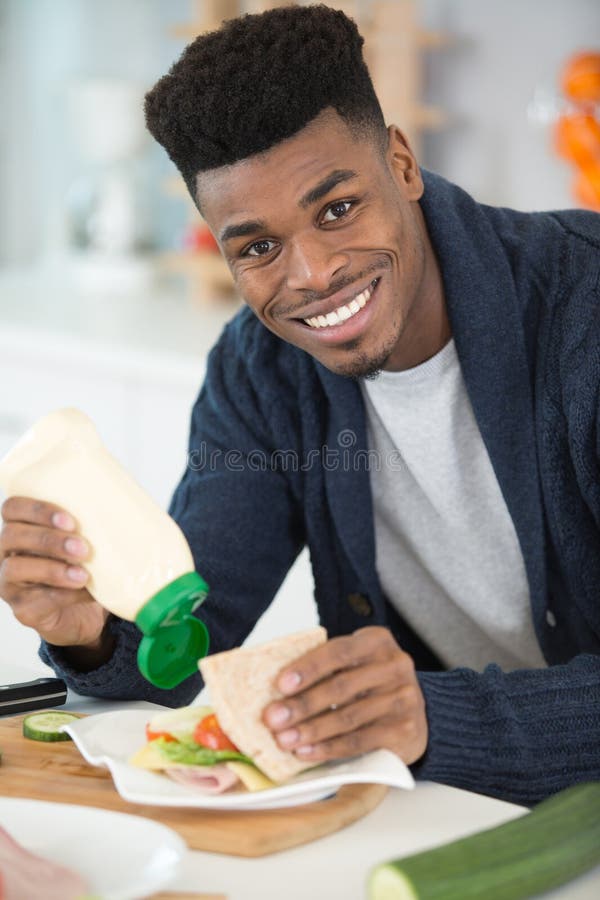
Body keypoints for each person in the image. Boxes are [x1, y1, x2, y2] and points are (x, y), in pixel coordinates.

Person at [1, 4, 599, 807]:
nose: (312, 273)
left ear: (402, 164)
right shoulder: (258, 374)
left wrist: (433, 716)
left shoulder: (583, 310)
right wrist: (89, 632)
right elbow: (188, 635)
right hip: (445, 808)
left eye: (338, 208)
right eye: (257, 246)